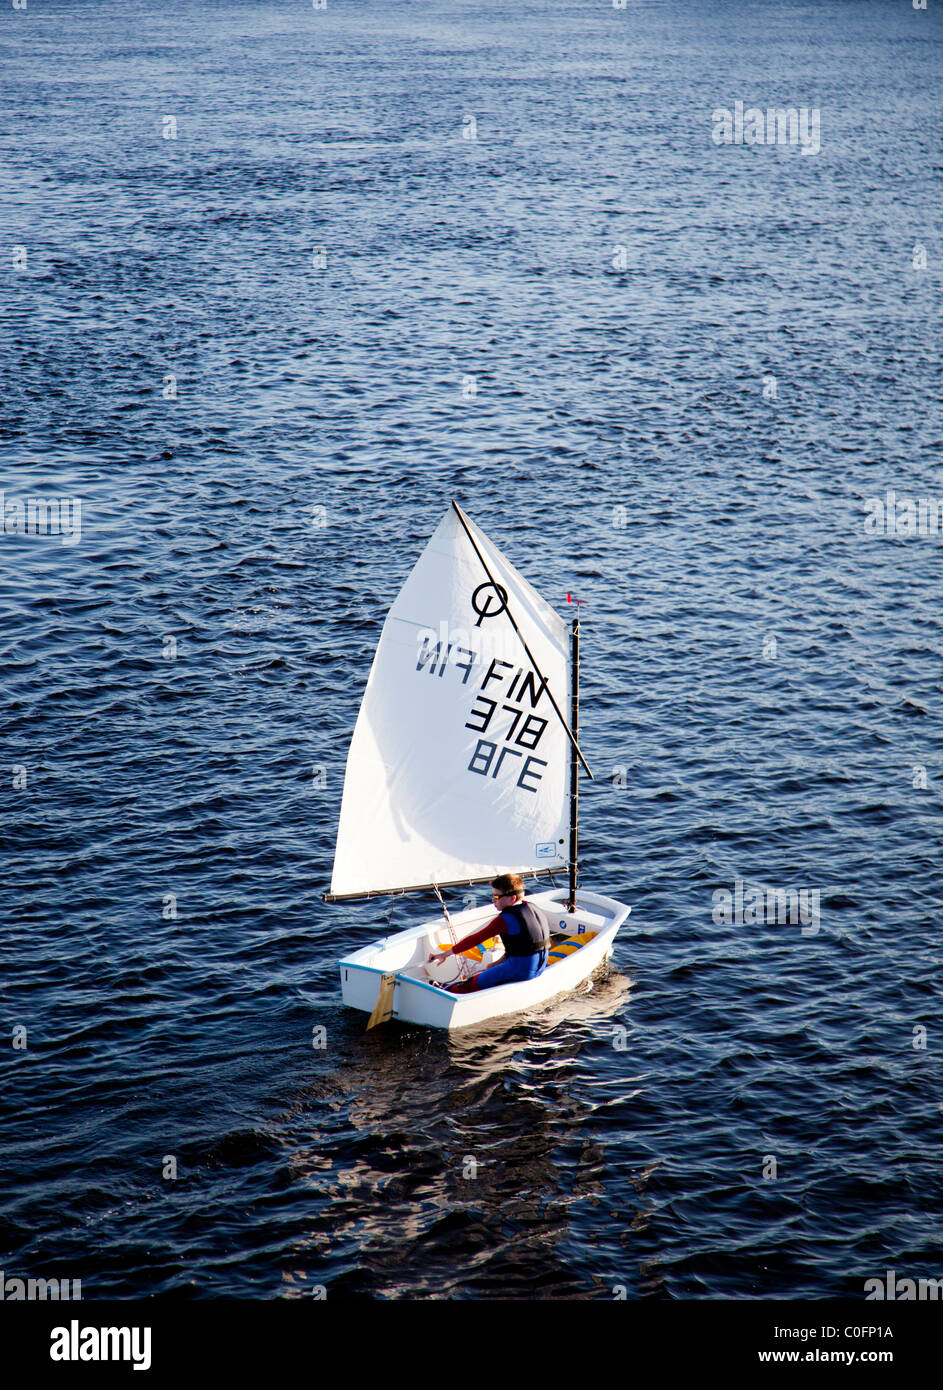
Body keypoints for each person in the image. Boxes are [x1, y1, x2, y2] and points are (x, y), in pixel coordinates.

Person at [428, 873, 550, 993]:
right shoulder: (533, 908)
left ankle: (446, 991)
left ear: (512, 898)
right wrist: (498, 962)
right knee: (490, 970)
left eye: (496, 897)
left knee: (471, 984)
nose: (493, 901)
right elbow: (522, 945)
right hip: (539, 966)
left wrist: (445, 954)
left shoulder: (504, 919)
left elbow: (475, 939)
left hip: (522, 970)